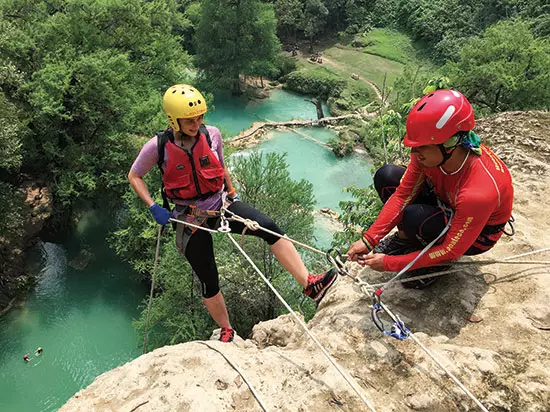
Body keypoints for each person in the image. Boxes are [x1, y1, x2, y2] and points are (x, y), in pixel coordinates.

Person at [128, 84, 337, 343]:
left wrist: (231, 190)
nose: (196, 123)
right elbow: (135, 175)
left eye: (199, 117)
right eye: (189, 120)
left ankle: (309, 284)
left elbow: (220, 166)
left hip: (221, 206)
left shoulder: (212, 134)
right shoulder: (157, 146)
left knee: (269, 227)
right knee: (208, 278)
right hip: (189, 218)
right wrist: (152, 206)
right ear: (174, 119)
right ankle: (227, 330)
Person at [346, 89, 514, 288]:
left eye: (421, 146)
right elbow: (403, 194)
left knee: (413, 217)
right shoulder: (430, 154)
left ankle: (433, 262)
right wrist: (369, 239)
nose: (415, 152)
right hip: (447, 201)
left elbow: (451, 250)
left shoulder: (478, 191)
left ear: (450, 144)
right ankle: (408, 239)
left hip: (476, 234)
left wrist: (390, 263)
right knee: (387, 176)